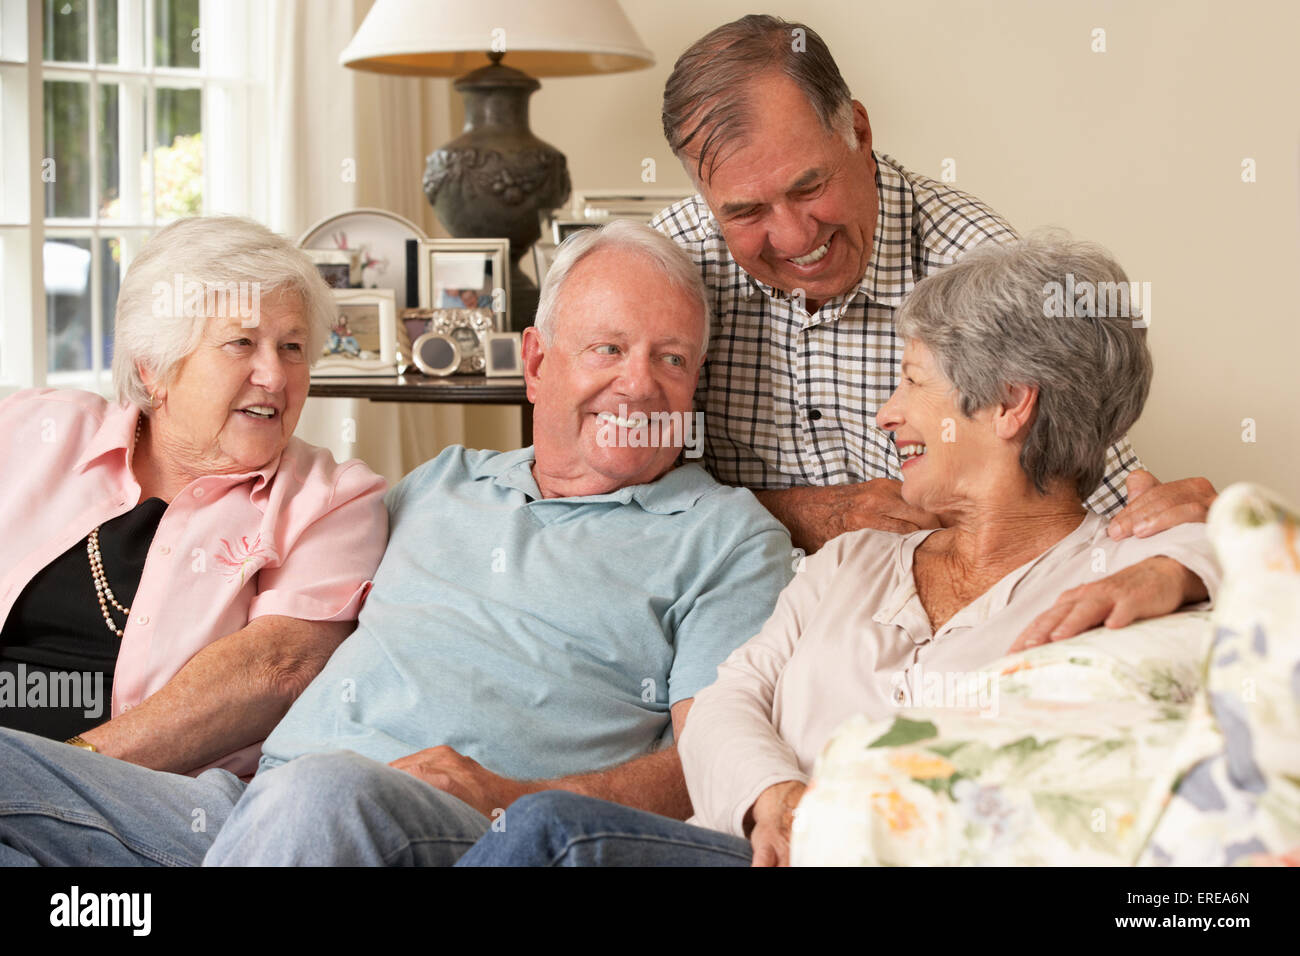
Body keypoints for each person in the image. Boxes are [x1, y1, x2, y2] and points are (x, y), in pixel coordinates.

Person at [0, 220, 794, 867]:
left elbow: (711, 755)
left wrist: (512, 796)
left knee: (324, 792)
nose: (640, 383)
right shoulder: (443, 482)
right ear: (538, 361)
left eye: (673, 358)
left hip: (450, 827)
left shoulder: (726, 538)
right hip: (239, 809)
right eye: (608, 349)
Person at [454, 232, 1222, 867]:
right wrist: (774, 797)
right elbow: (726, 703)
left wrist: (1203, 553)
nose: (887, 415)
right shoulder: (854, 563)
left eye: (913, 381)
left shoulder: (1130, 582)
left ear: (1010, 403)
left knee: (546, 834)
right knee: (547, 833)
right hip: (756, 852)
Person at [652, 14, 1217, 555]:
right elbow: (589, 487)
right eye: (746, 212)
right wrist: (797, 513)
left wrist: (1191, 541)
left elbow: (1093, 505)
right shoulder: (662, 267)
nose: (795, 237)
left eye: (809, 187)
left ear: (859, 131)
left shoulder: (975, 263)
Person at [0, 216, 387, 777]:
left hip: (144, 809)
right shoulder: (32, 432)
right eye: (242, 343)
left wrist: (53, 778)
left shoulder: (331, 500)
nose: (275, 375)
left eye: (293, 347)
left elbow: (274, 670)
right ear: (153, 367)